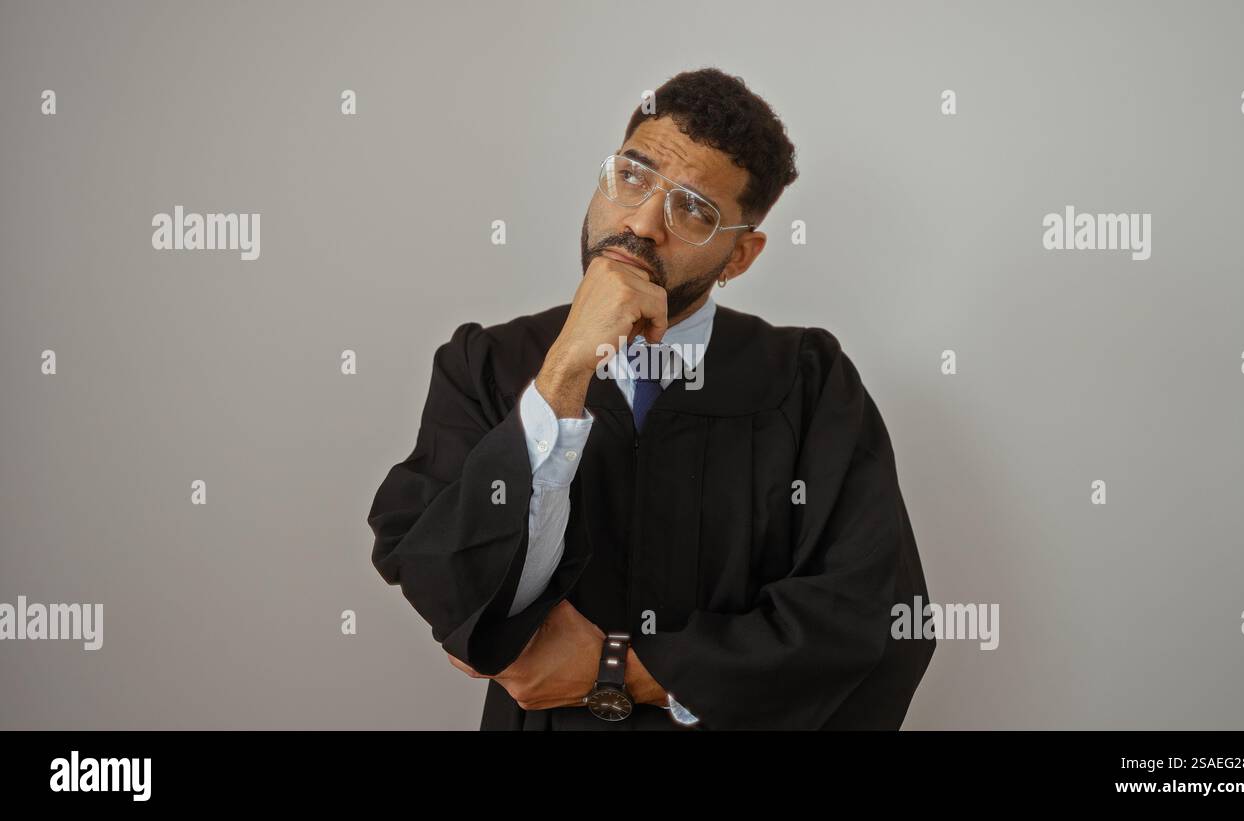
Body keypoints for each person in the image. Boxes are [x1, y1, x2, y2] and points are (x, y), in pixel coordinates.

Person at [367, 67, 936, 730]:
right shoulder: (489, 364)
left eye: (692, 208)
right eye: (632, 176)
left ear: (740, 256)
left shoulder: (808, 384)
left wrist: (621, 670)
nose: (639, 222)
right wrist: (565, 371)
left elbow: (863, 620)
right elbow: (452, 588)